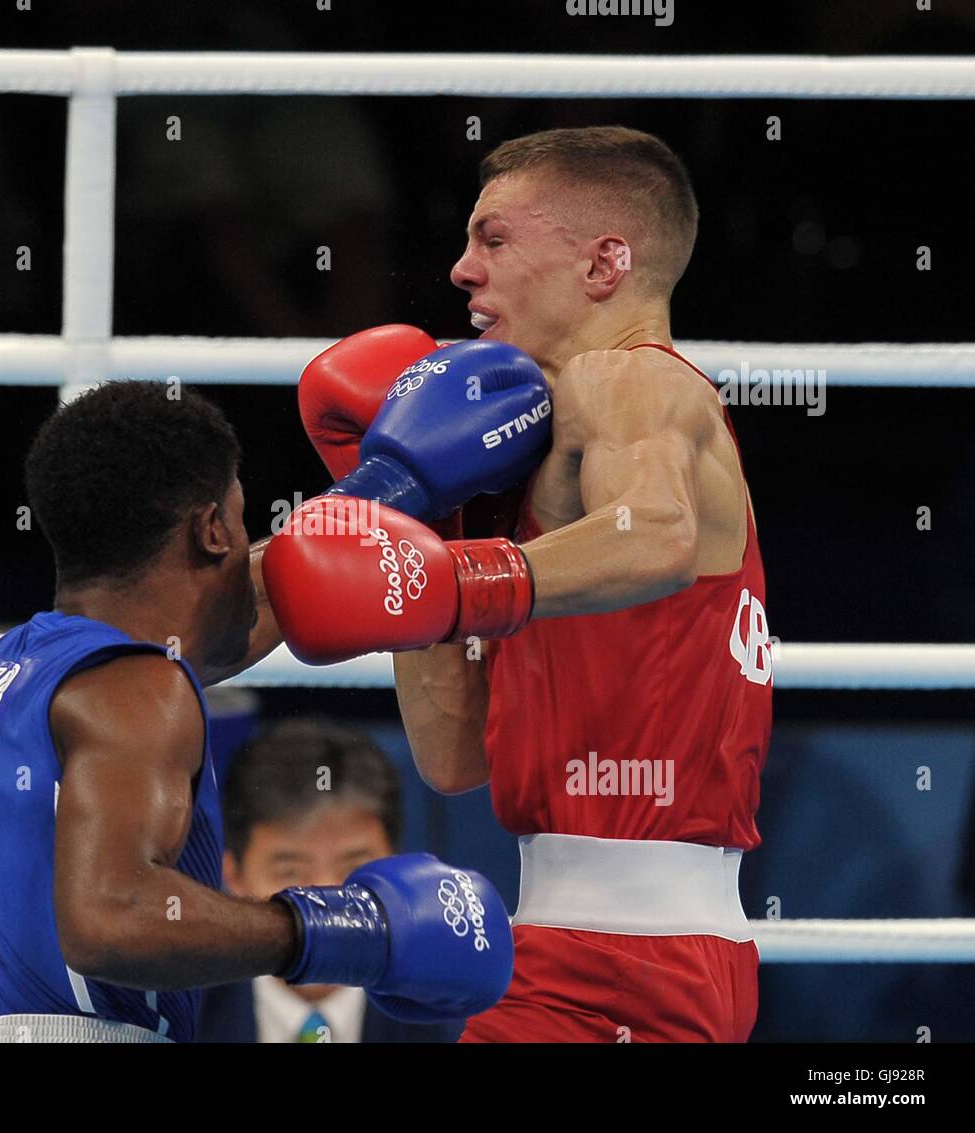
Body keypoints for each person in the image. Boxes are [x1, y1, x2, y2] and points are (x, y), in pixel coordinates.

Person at [264, 126, 773, 1042]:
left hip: (629, 960)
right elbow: (453, 759)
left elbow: (655, 534)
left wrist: (457, 577)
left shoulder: (636, 384)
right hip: (572, 942)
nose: (462, 270)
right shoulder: (538, 453)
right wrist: (413, 512)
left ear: (606, 262)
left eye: (493, 239)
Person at [0, 380, 513, 1043]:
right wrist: (330, 931)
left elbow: (265, 592)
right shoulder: (140, 688)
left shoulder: (26, 663)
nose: (247, 544)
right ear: (212, 530)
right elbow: (110, 918)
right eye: (239, 520)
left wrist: (393, 487)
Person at [197, 718, 463, 1043]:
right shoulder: (184, 1015)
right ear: (233, 878)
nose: (328, 902)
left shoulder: (448, 1018)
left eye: (354, 867)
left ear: (395, 870)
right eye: (291, 873)